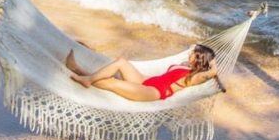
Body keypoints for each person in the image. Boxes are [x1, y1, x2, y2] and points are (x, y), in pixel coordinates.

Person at [65, 43, 223, 101]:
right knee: (121, 62)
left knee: (113, 83)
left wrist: (211, 60)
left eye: (194, 54)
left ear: (200, 58)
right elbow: (193, 46)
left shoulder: (194, 77)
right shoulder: (186, 65)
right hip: (146, 81)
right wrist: (197, 48)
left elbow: (213, 71)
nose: (190, 54)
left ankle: (84, 76)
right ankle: (82, 73)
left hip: (153, 92)